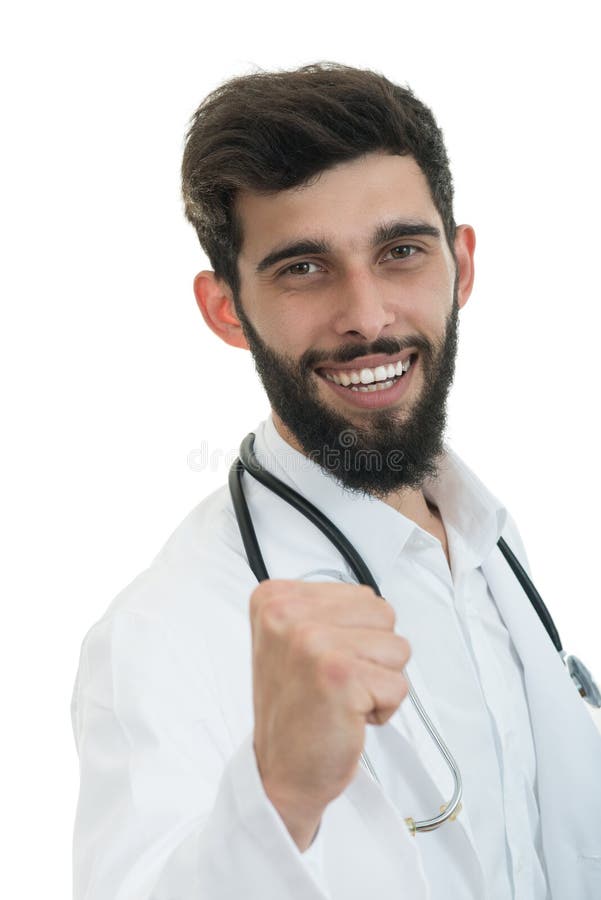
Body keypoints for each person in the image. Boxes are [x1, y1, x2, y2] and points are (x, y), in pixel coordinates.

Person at [71, 63, 601, 899]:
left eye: (399, 252)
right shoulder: (164, 632)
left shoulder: (487, 541)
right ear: (224, 310)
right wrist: (278, 796)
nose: (367, 315)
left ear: (460, 264)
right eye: (303, 269)